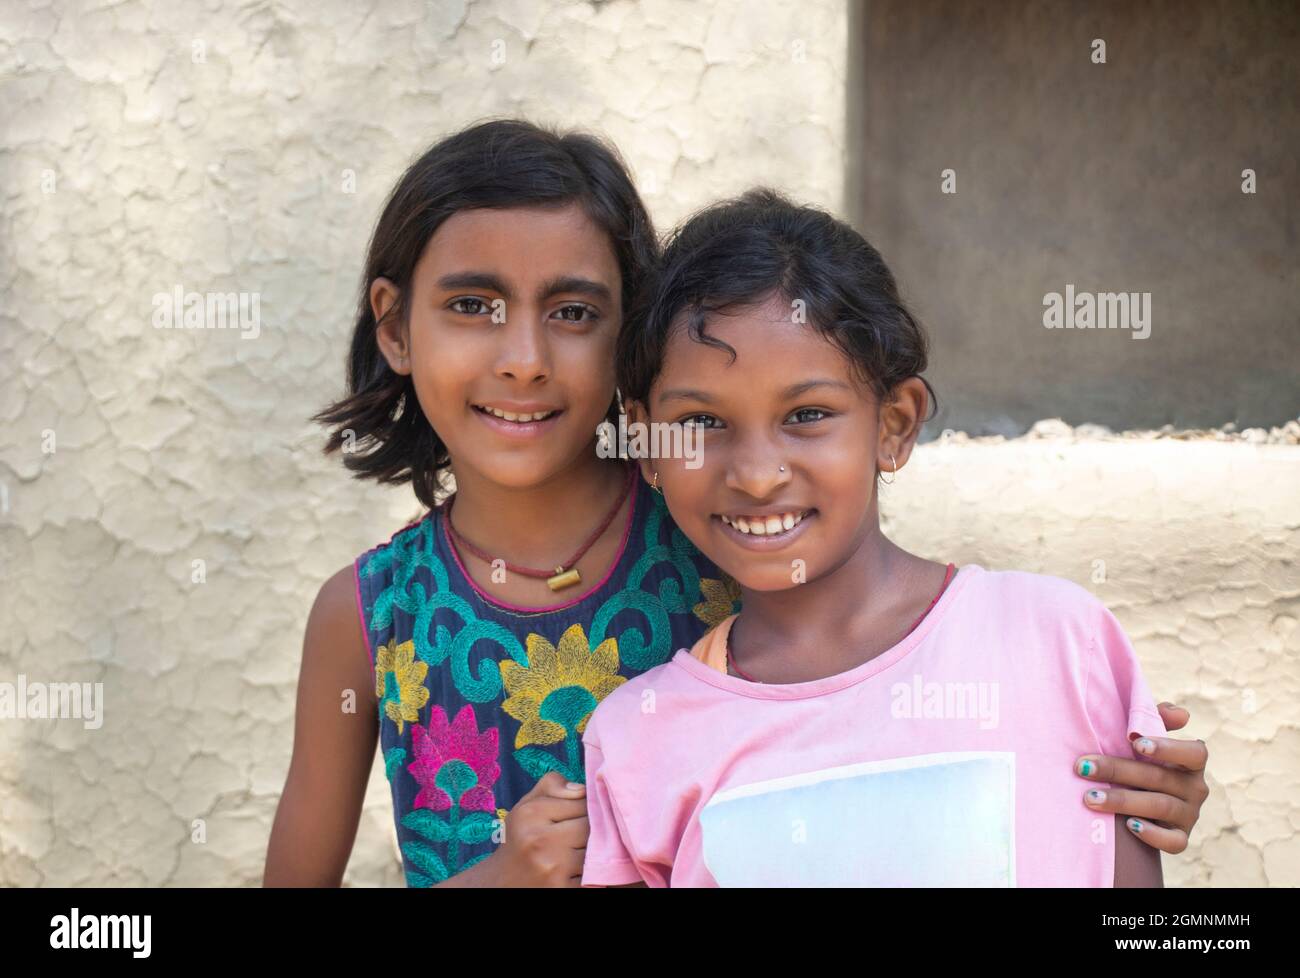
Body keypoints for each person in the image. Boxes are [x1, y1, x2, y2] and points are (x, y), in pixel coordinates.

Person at [263, 122, 1208, 888]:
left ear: (630, 342)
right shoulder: (369, 615)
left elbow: (913, 681)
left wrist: (1085, 729)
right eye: (472, 305)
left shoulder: (720, 536)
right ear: (393, 325)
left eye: (575, 311)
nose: (523, 357)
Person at [581, 189, 1206, 886]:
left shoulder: (1058, 641)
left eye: (808, 413)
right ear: (644, 441)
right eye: (701, 423)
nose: (757, 476)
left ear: (894, 424)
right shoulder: (638, 738)